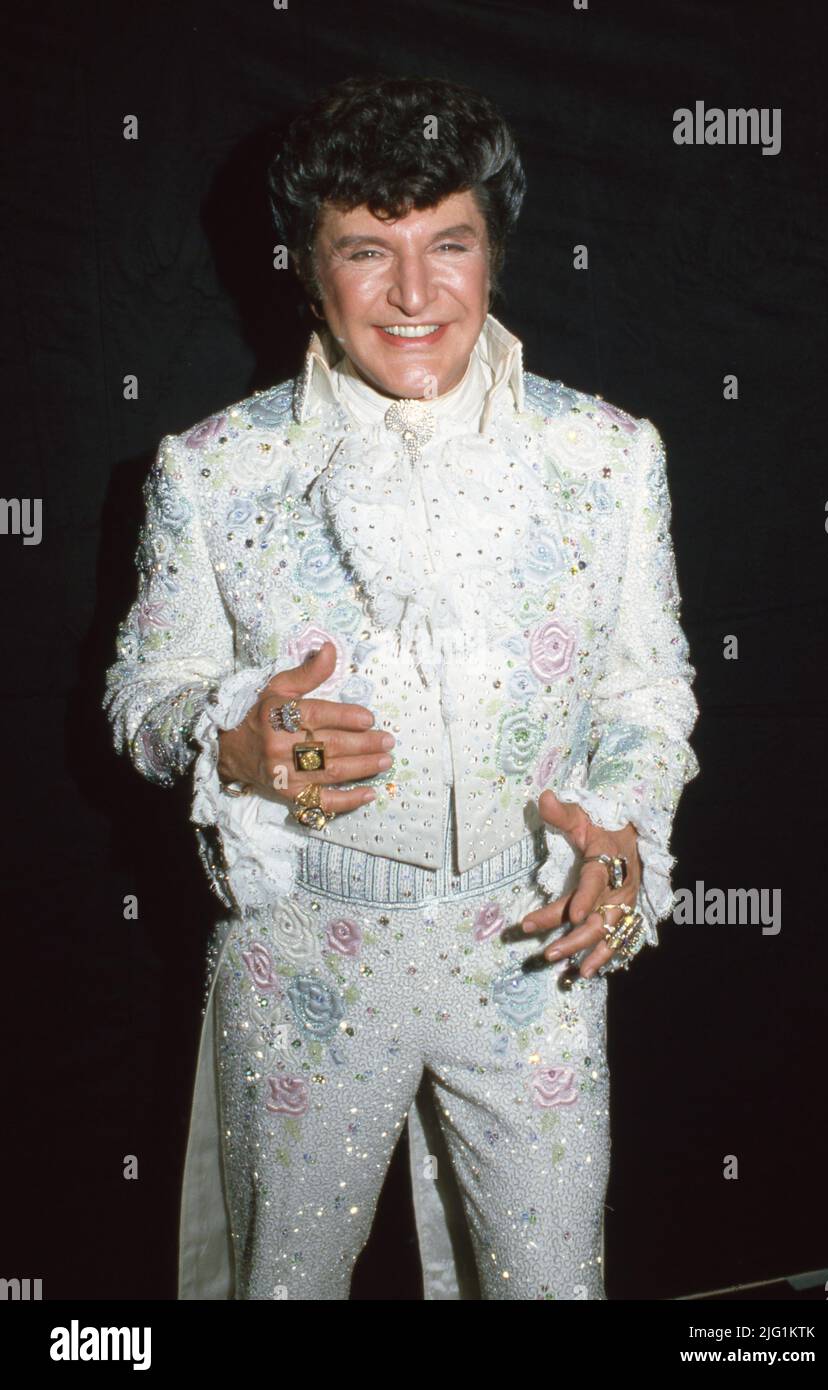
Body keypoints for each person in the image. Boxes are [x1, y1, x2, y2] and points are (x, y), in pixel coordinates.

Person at [103, 73, 699, 1301]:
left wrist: (623, 836)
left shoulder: (608, 456)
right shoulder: (212, 471)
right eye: (368, 252)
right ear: (308, 270)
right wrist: (228, 739)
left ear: (494, 252)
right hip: (302, 959)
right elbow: (142, 691)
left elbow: (650, 694)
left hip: (532, 961)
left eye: (450, 245)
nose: (416, 295)